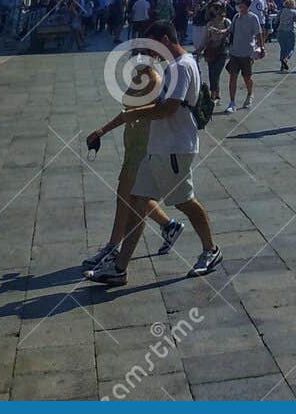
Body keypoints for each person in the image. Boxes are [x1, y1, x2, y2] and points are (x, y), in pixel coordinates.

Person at [85, 21, 221, 285]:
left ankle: (210, 250)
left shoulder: (181, 67)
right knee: (137, 201)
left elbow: (169, 108)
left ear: (165, 40)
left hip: (174, 148)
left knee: (185, 202)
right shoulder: (175, 66)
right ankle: (119, 268)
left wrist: (135, 113)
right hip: (159, 146)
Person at [82, 44, 185, 275]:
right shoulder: (139, 77)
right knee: (136, 197)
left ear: (153, 56)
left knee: (125, 197)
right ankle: (169, 226)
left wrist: (102, 130)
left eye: (143, 55)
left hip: (145, 146)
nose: (138, 58)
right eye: (135, 54)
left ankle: (113, 248)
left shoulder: (155, 81)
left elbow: (136, 113)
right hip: (133, 144)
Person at [224, 0, 264, 112]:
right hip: (234, 52)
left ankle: (250, 93)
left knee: (247, 77)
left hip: (247, 53)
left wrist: (262, 48)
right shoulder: (236, 16)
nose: (237, 4)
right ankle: (232, 102)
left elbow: (259, 34)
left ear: (245, 4)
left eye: (239, 2)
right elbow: (230, 30)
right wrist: (220, 31)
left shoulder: (253, 18)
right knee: (233, 77)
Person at [275, 0, 296, 71]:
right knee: (290, 48)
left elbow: (276, 20)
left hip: (281, 31)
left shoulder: (281, 11)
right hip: (290, 31)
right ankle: (286, 59)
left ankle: (282, 65)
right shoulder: (294, 12)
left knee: (283, 48)